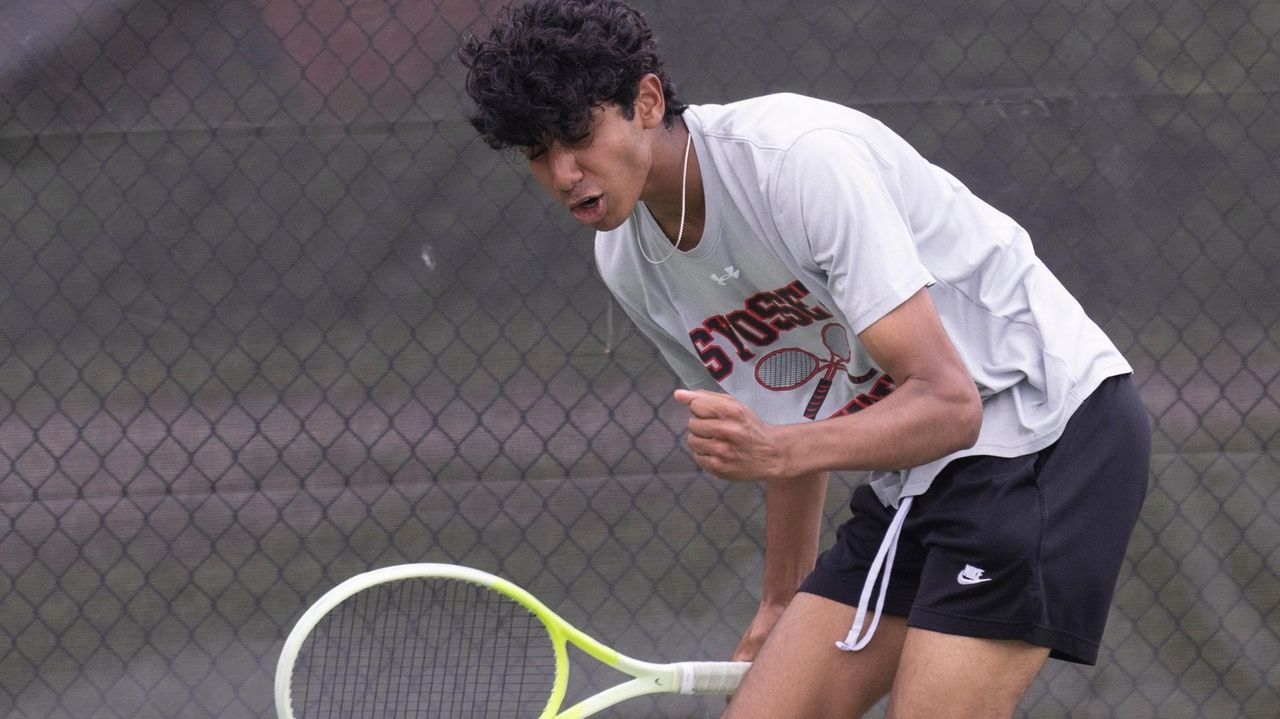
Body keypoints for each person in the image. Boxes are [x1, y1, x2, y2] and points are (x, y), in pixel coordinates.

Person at [460, 1, 1151, 716]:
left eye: (578, 136)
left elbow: (949, 403)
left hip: (1048, 431)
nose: (564, 172)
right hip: (915, 476)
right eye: (537, 152)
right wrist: (780, 597)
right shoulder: (626, 260)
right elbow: (784, 414)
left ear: (647, 100)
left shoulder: (797, 162)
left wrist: (780, 449)